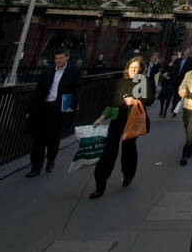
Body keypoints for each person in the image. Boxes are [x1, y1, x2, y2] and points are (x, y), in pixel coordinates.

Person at [90, 57, 151, 199]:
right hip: (117, 118)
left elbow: (148, 99)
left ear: (141, 69)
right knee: (109, 149)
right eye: (131, 67)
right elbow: (113, 103)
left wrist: (135, 100)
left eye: (136, 68)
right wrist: (101, 118)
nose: (133, 70)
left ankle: (128, 174)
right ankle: (100, 183)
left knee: (128, 147)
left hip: (133, 119)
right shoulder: (120, 82)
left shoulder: (142, 81)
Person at [25, 48, 81, 176]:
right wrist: (30, 109)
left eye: (61, 58)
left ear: (67, 57)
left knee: (53, 137)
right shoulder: (48, 70)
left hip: (59, 109)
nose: (58, 61)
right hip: (44, 107)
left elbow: (77, 90)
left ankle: (51, 160)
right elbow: (38, 90)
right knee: (38, 138)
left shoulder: (74, 72)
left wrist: (72, 105)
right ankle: (36, 167)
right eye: (56, 58)